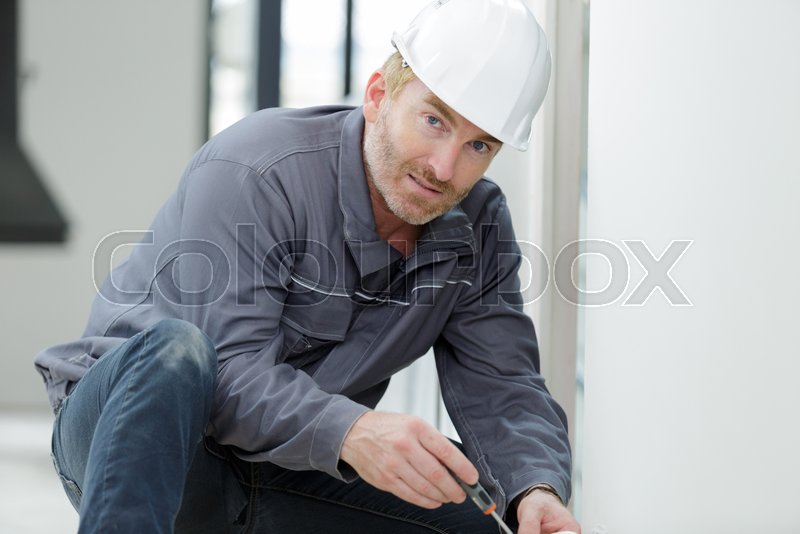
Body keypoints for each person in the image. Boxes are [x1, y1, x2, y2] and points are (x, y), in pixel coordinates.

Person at [35, 0, 581, 532]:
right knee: (177, 350)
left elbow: (502, 382)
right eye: (434, 120)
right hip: (135, 435)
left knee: (481, 516)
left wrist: (534, 489)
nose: (444, 168)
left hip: (286, 464)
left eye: (479, 145)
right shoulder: (257, 168)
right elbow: (228, 371)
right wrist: (355, 432)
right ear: (378, 96)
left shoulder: (478, 224)